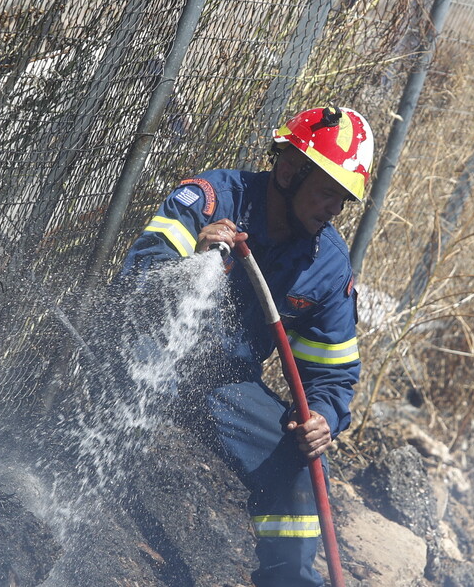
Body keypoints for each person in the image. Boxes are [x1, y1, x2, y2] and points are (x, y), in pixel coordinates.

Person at [118, 105, 373, 586]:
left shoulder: (328, 267)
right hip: (147, 352)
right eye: (325, 193)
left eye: (341, 201)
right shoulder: (212, 198)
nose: (332, 210)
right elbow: (140, 277)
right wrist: (197, 248)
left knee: (297, 460)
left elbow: (333, 374)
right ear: (288, 170)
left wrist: (321, 418)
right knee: (120, 404)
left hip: (222, 385)